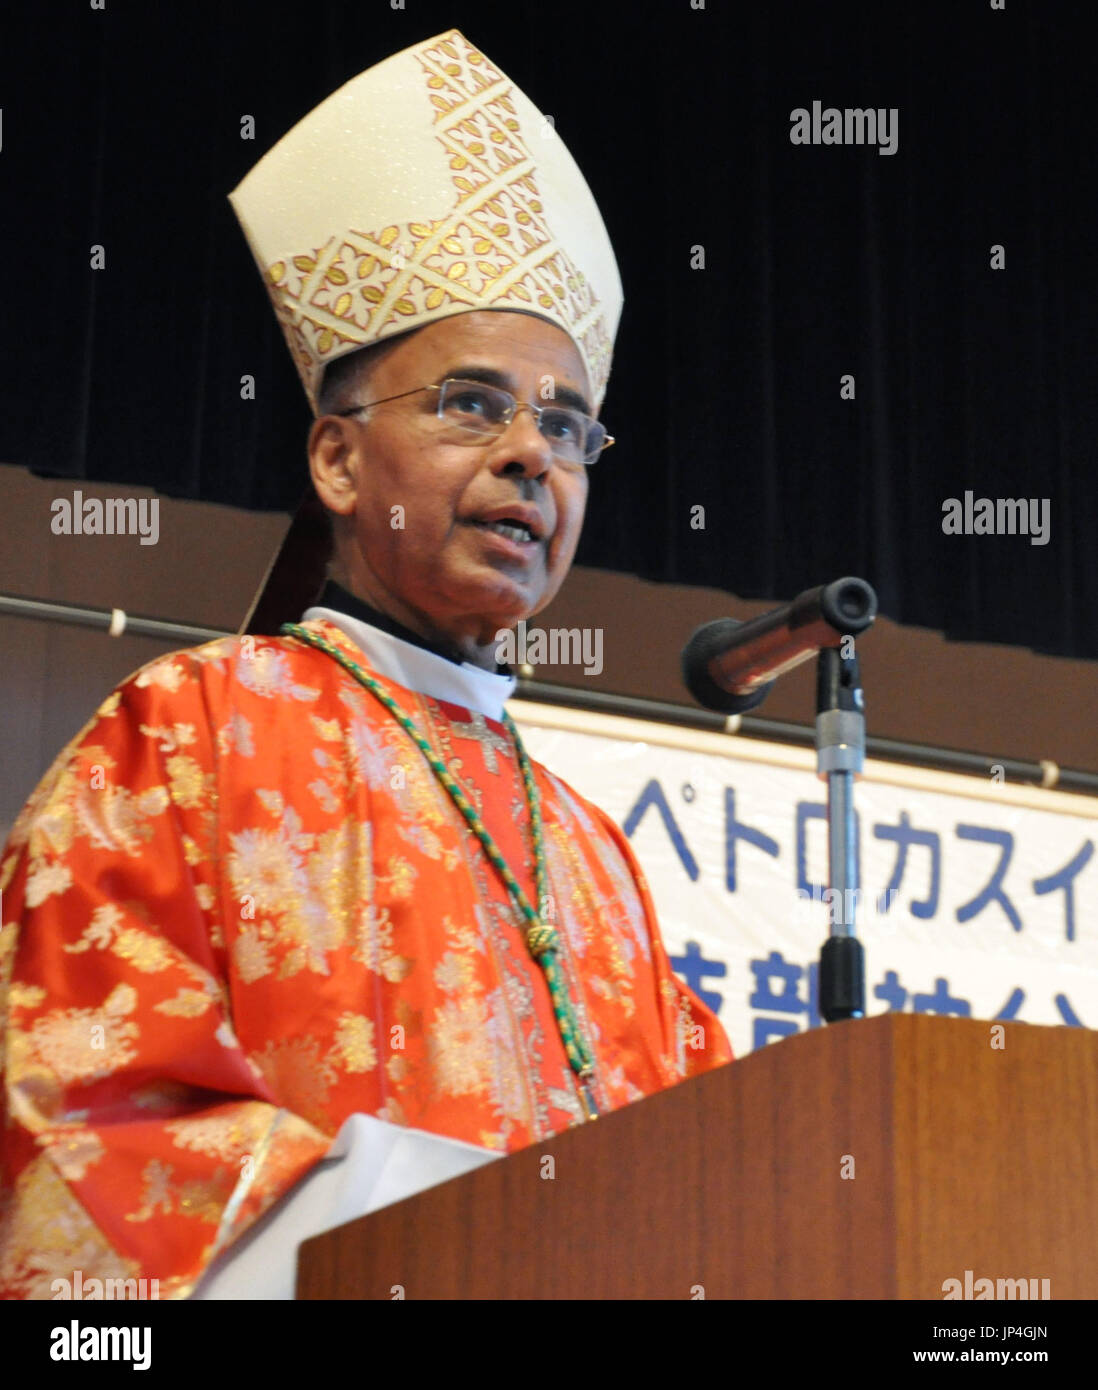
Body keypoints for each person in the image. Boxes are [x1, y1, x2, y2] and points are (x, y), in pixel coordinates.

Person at [0, 28, 732, 1300]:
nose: (532, 456)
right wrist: (447, 1245)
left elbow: (724, 1180)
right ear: (338, 462)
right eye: (471, 403)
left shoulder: (595, 855)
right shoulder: (193, 730)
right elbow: (75, 1103)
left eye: (566, 425)